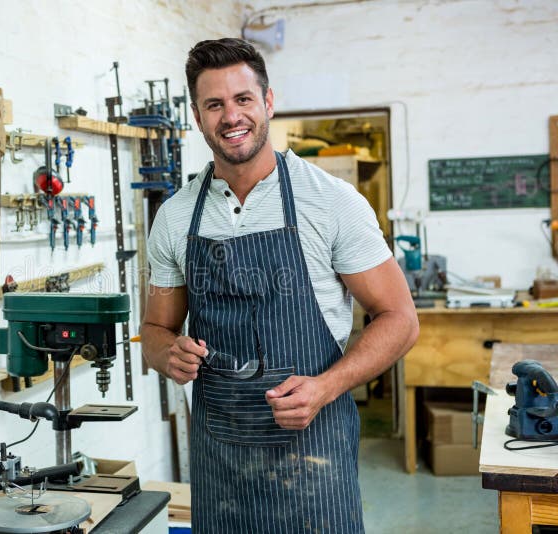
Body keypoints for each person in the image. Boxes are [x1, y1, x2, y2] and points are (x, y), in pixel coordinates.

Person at [141, 38, 419, 533]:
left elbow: (400, 319)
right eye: (214, 104)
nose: (231, 116)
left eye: (243, 99)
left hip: (315, 457)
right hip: (219, 462)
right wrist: (168, 354)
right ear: (198, 116)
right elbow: (155, 330)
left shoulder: (332, 203)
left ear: (268, 102)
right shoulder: (175, 216)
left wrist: (326, 386)